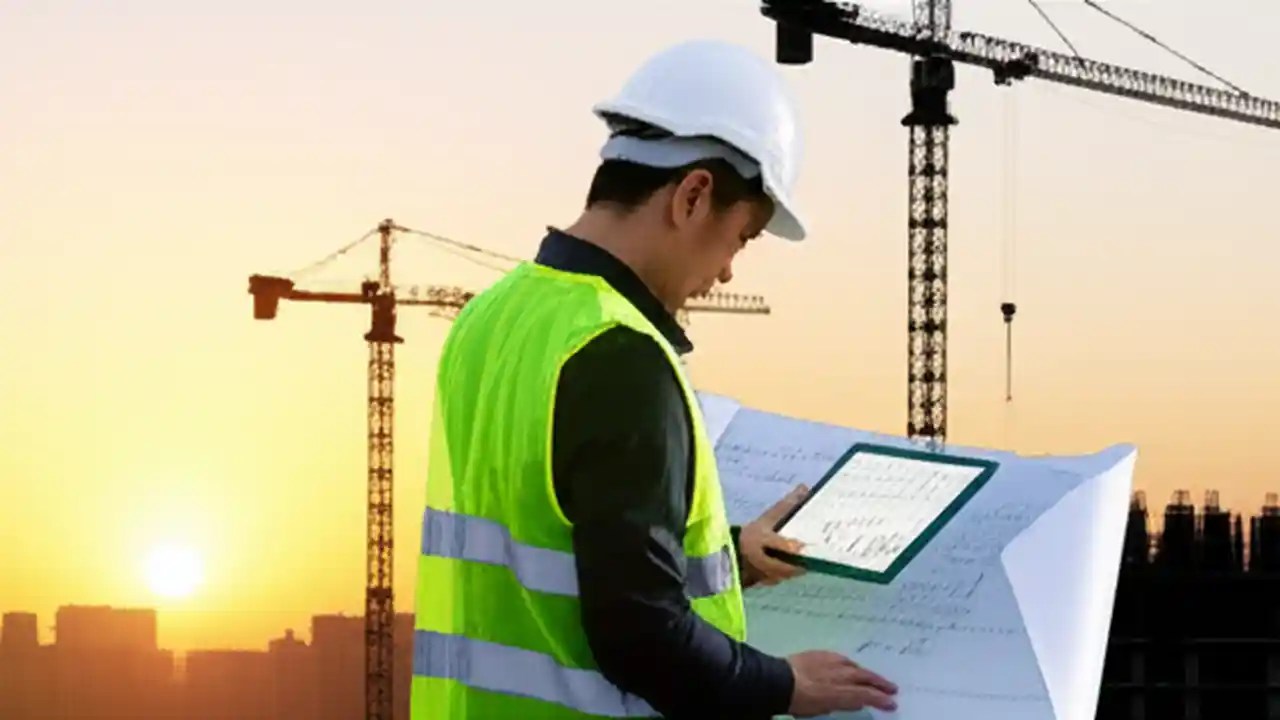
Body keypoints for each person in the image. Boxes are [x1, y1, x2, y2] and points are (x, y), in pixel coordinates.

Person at [409, 38, 899, 719]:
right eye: (743, 238)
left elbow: (558, 548)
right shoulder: (619, 353)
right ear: (693, 195)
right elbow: (640, 637)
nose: (728, 270)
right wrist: (785, 684)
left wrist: (733, 558)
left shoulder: (489, 317)